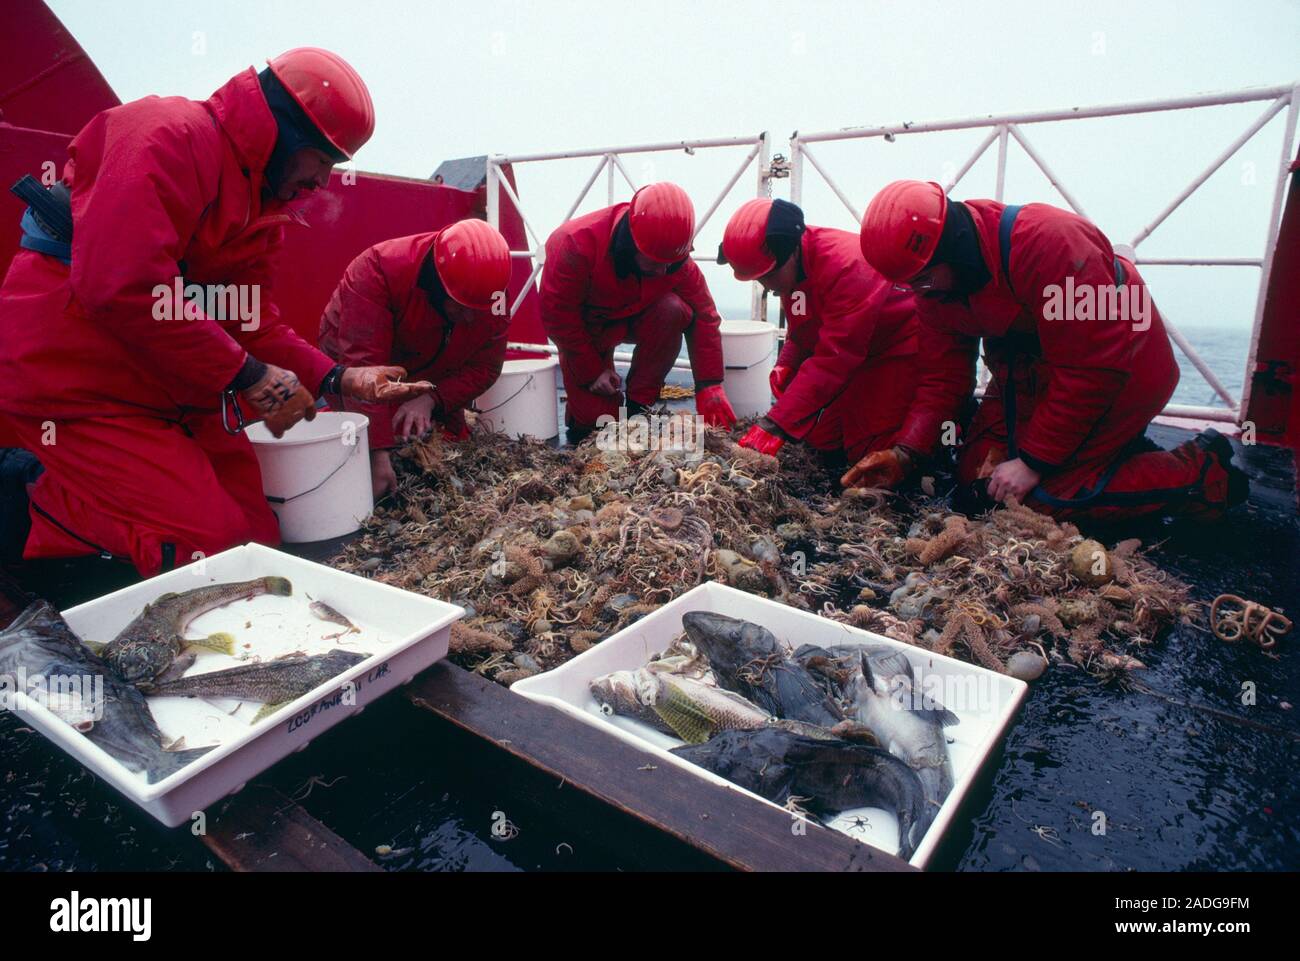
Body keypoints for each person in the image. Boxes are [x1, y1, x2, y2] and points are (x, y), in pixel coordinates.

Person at [0, 48, 428, 576]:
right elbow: (120, 285)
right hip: (74, 382)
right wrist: (248, 375)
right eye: (322, 161)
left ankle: (115, 498)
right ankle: (35, 498)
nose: (322, 183)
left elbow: (250, 322)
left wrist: (340, 377)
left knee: (259, 534)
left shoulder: (263, 206)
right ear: (286, 133)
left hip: (165, 380)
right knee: (212, 545)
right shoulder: (167, 134)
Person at [850, 180, 1247, 520]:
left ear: (953, 247)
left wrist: (1033, 463)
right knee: (979, 485)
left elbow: (1092, 371)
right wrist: (906, 453)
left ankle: (1201, 472)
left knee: (1036, 501)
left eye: (921, 281)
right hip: (1033, 370)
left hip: (1122, 368)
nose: (921, 294)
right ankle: (1109, 455)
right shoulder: (935, 285)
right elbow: (942, 377)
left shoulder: (1050, 243)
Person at [318, 219, 513, 497]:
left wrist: (431, 398)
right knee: (364, 451)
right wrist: (376, 454)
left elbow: (485, 366)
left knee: (446, 440)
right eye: (462, 309)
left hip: (430, 359)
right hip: (359, 357)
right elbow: (363, 367)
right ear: (438, 286)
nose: (471, 319)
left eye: (478, 310)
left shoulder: (490, 291)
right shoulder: (377, 269)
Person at [718, 198, 918, 466]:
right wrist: (787, 363)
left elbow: (835, 359)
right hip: (853, 350)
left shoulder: (848, 267)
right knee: (820, 437)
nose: (765, 286)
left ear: (790, 253)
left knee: (867, 450)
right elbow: (804, 329)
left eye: (765, 276)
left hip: (897, 347)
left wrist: (774, 424)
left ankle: (945, 427)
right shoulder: (794, 273)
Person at [539, 182, 737, 440]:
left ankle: (639, 404)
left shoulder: (673, 261)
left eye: (672, 263)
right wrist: (592, 371)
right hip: (589, 331)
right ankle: (583, 412)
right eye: (656, 263)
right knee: (595, 424)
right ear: (632, 243)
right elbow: (558, 316)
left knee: (674, 309)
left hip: (634, 317)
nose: (663, 271)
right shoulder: (574, 244)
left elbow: (705, 316)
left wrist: (709, 384)